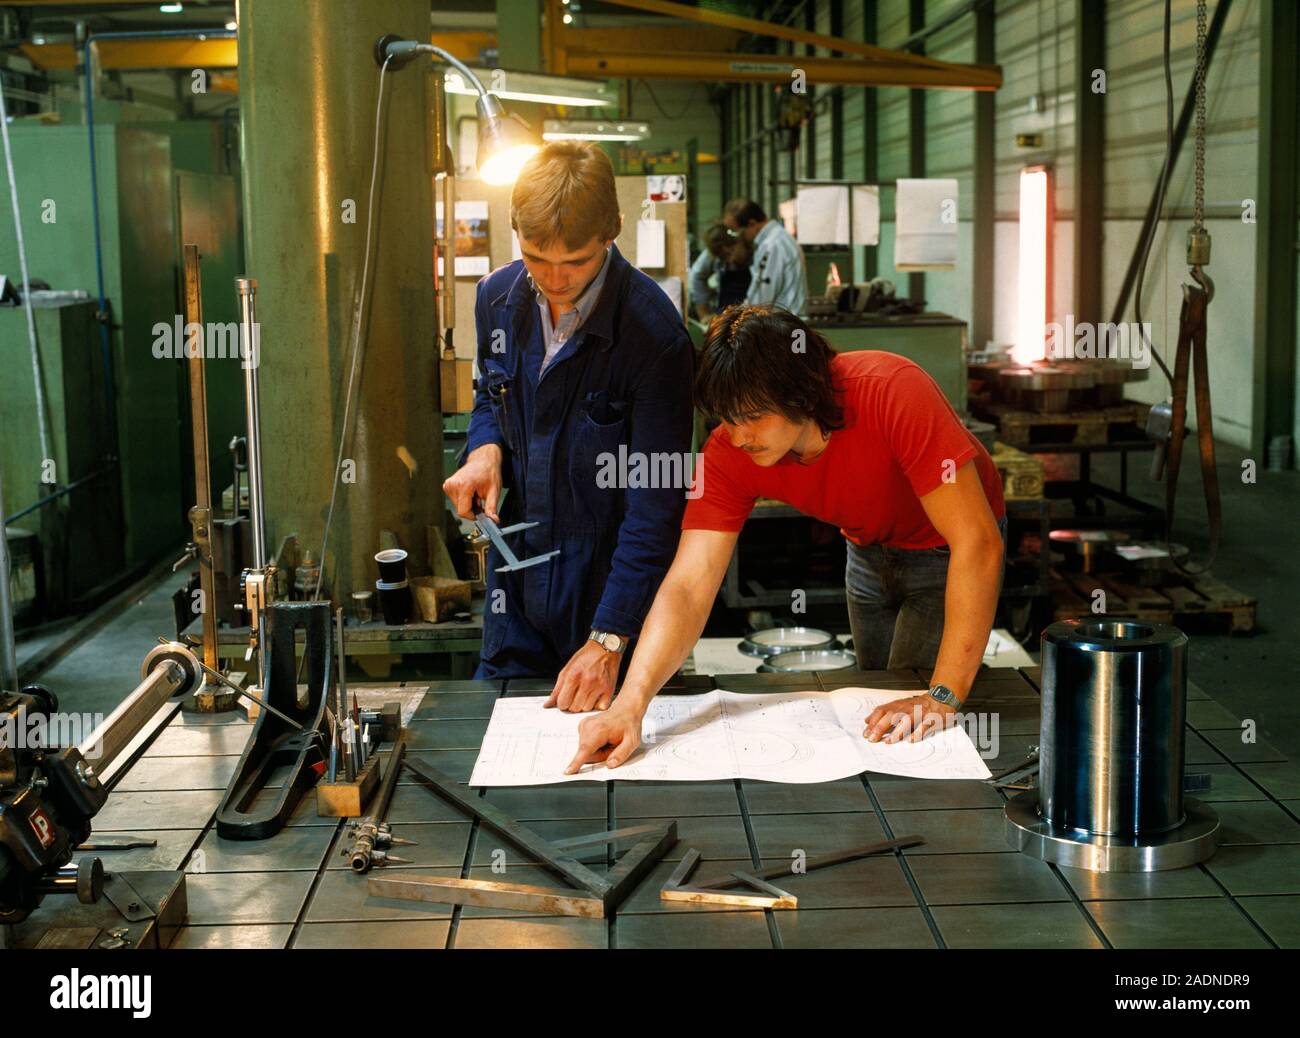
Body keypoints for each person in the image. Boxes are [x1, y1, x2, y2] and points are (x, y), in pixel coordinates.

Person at [564, 304, 1006, 773]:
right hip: (866, 550)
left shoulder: (892, 390)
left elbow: (977, 542)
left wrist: (942, 695)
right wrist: (630, 704)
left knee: (923, 716)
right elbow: (689, 584)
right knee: (881, 707)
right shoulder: (729, 450)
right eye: (726, 418)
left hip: (946, 552)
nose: (738, 437)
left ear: (802, 392)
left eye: (752, 416)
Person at [442, 142, 694, 709]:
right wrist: (483, 450)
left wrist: (609, 638)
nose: (554, 279)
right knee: (492, 751)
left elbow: (657, 506)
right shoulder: (496, 299)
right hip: (517, 586)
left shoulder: (655, 338)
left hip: (613, 593)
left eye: (575, 262)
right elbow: (491, 393)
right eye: (536, 257)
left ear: (613, 232)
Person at [723, 197, 807, 316]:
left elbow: (762, 300)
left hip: (785, 327)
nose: (739, 238)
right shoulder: (776, 239)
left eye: (737, 232)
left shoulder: (772, 245)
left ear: (752, 224)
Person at [688, 222, 752, 320]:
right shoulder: (713, 253)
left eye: (730, 253)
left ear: (739, 242)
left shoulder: (757, 250)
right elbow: (697, 275)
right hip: (725, 314)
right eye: (723, 258)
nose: (730, 261)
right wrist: (703, 313)